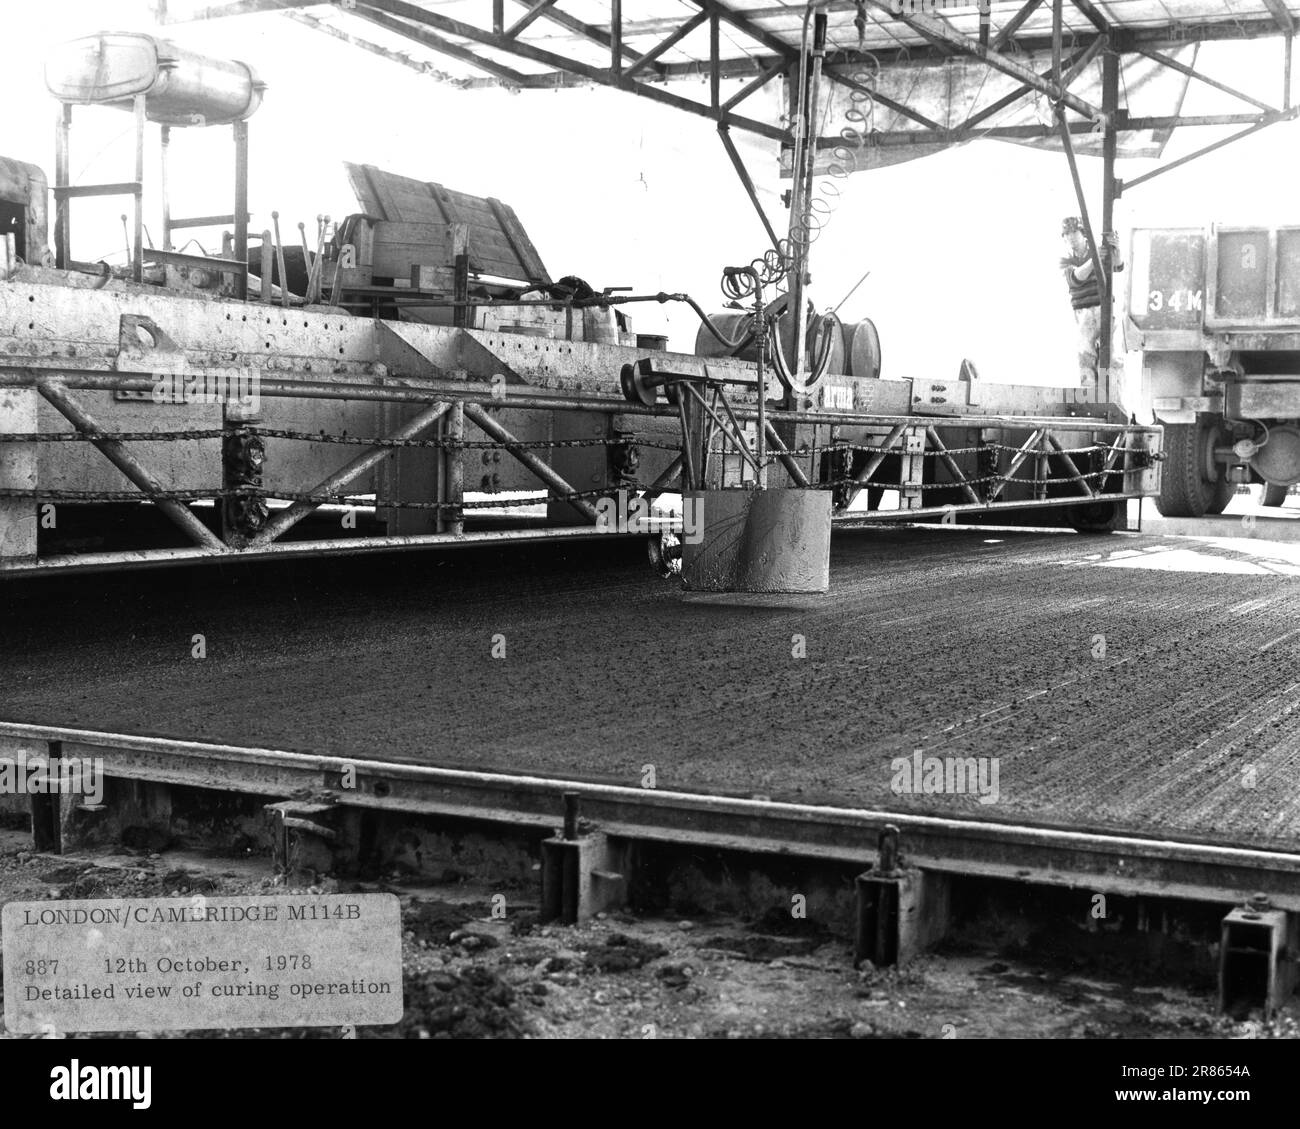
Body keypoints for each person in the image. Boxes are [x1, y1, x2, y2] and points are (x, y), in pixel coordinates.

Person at [1060, 216, 1125, 396]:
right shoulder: (1065, 259)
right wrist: (1095, 258)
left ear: (1083, 234)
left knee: (1112, 357)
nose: (1071, 237)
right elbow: (1075, 279)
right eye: (1067, 234)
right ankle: (1089, 397)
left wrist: (1116, 248)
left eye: (1075, 232)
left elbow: (1118, 266)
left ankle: (1114, 398)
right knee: (1086, 355)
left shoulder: (1098, 250)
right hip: (1083, 314)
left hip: (1105, 309)